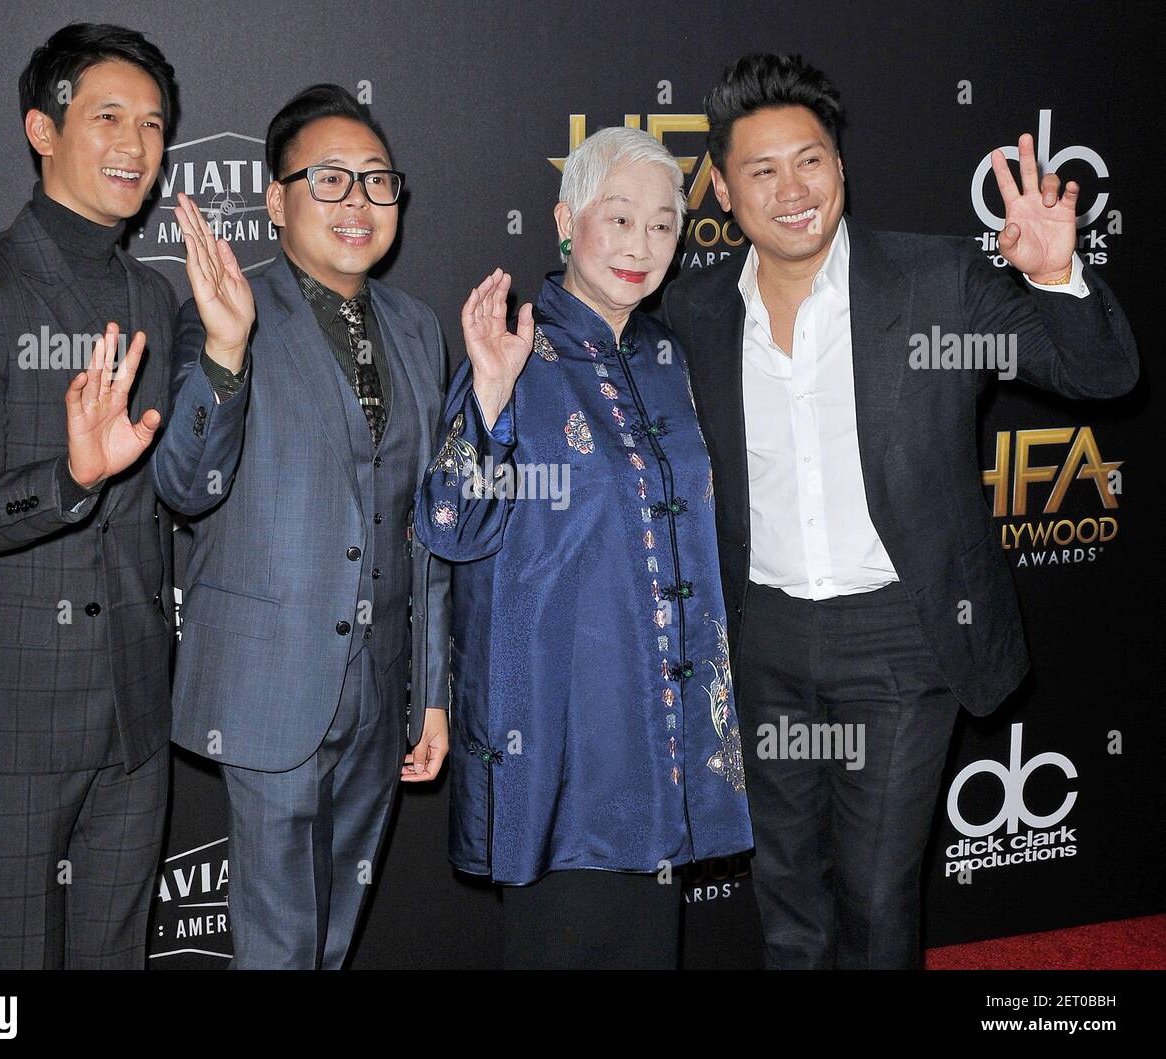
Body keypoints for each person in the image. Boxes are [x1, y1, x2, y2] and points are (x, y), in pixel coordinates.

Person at [662, 53, 1139, 969]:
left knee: (877, 895)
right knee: (788, 893)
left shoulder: (934, 281)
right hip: (760, 640)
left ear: (841, 166)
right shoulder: (692, 314)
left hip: (899, 638)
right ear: (721, 186)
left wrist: (1058, 275)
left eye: (811, 159)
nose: (792, 188)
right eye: (761, 170)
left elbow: (1102, 372)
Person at [415, 127, 753, 970]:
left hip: (660, 731)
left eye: (664, 225)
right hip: (560, 741)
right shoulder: (516, 351)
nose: (642, 246)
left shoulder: (672, 355)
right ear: (566, 219)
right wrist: (488, 400)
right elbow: (449, 525)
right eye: (619, 218)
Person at [151, 84, 450, 970]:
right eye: (329, 180)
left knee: (331, 934)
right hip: (270, 682)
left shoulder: (417, 328)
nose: (358, 202)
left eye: (376, 180)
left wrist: (430, 687)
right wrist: (226, 354)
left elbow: (425, 525)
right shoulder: (224, 310)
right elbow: (184, 484)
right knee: (278, 945)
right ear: (275, 200)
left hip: (379, 689)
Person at [0, 23, 180, 969]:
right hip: (12, 714)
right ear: (41, 128)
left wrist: (224, 361)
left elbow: (181, 485)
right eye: (108, 116)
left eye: (152, 122)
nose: (136, 144)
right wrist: (69, 479)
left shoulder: (155, 300)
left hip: (137, 712)